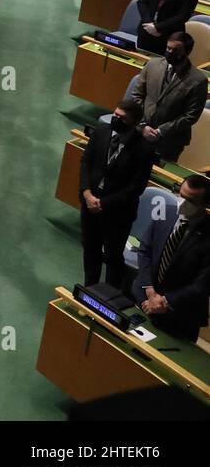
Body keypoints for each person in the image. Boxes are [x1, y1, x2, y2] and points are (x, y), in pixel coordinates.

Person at [78, 98, 156, 288]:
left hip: (118, 213)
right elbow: (86, 162)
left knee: (112, 257)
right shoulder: (101, 132)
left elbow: (135, 188)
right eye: (115, 115)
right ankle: (89, 289)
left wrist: (103, 204)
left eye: (123, 118)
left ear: (135, 123)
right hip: (90, 205)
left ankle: (110, 295)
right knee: (91, 250)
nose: (116, 119)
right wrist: (87, 193)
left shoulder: (143, 150)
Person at [133, 174, 210, 339]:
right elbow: (145, 250)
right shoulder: (164, 212)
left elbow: (201, 286)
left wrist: (165, 301)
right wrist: (150, 291)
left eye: (189, 200)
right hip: (144, 298)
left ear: (204, 204)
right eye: (180, 195)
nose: (181, 202)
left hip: (179, 315)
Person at [131, 31, 209, 161]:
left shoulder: (198, 80)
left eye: (175, 50)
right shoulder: (153, 64)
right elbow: (137, 95)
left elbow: (190, 116)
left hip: (169, 141)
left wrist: (160, 131)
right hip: (141, 131)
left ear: (186, 52)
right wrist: (142, 125)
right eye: (168, 48)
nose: (170, 52)